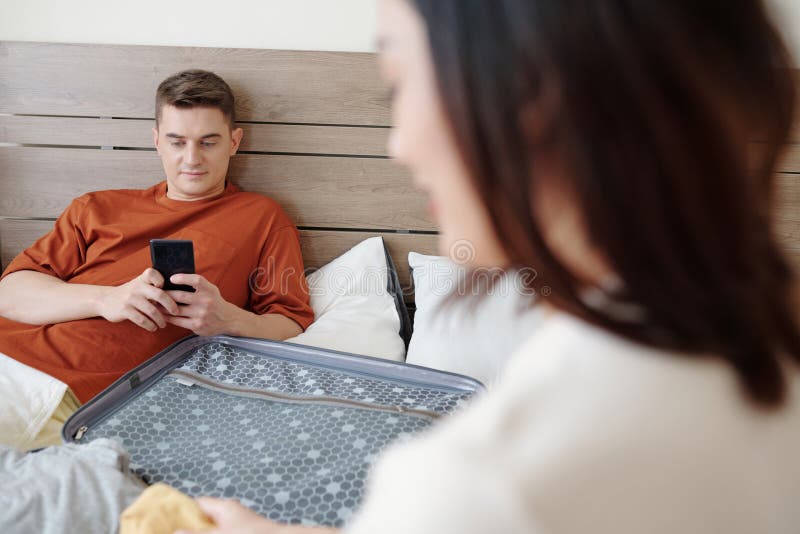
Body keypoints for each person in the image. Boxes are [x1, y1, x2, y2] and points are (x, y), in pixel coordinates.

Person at [179, 0, 800, 533]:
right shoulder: (762, 333)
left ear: (531, 92)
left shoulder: (480, 481)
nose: (400, 144)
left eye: (401, 82)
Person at [0, 69, 314, 450]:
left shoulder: (262, 217)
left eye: (208, 143)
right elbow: (10, 292)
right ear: (156, 141)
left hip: (60, 393)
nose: (192, 159)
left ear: (234, 142)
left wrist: (226, 319)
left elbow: (291, 323)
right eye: (177, 142)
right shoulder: (96, 207)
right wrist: (106, 298)